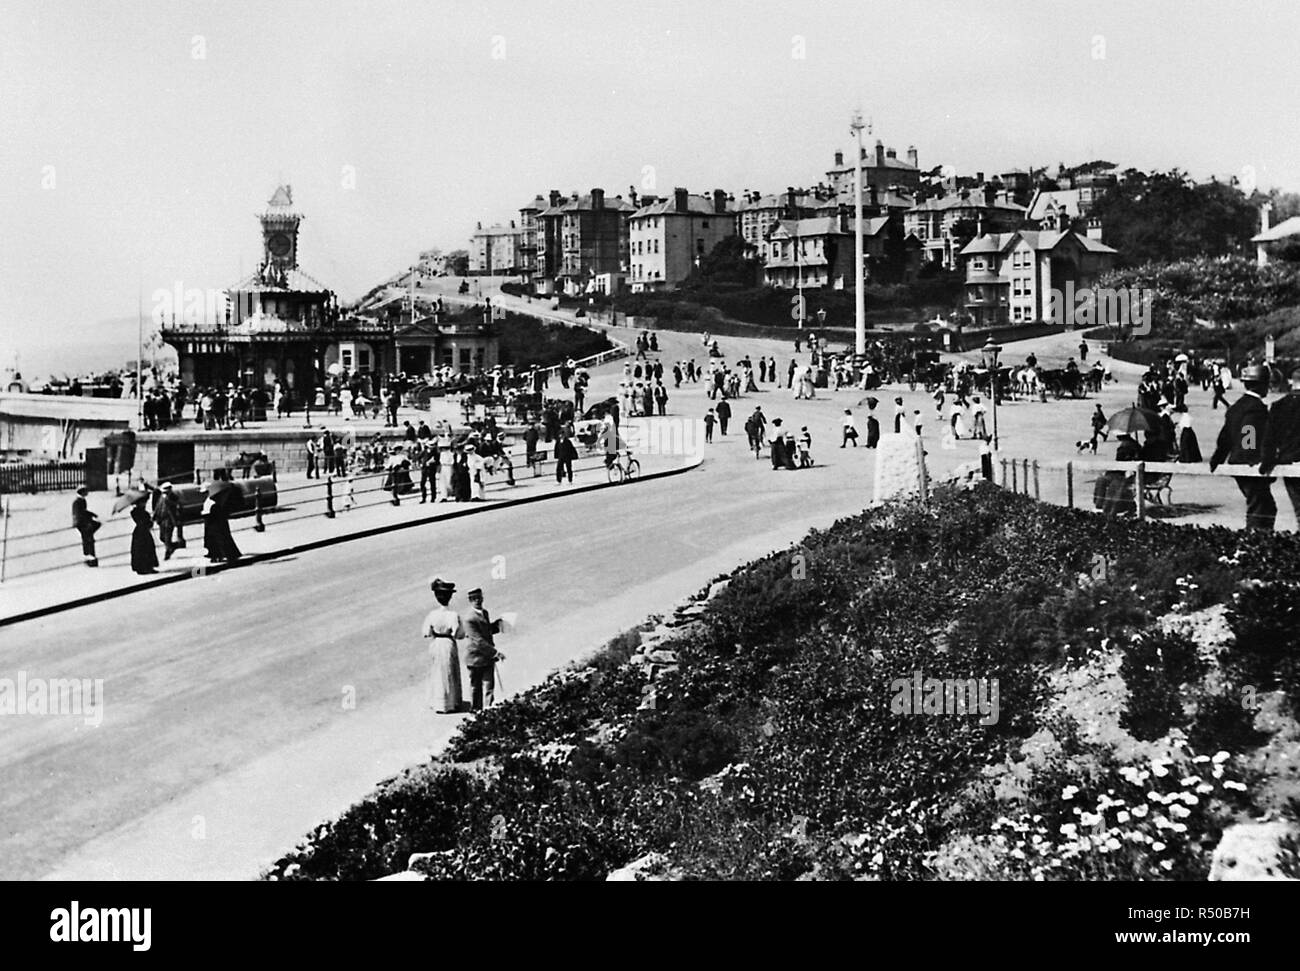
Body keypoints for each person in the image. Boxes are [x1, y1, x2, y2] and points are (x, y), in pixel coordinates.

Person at [1209, 364, 1275, 531]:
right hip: (1247, 465)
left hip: (1236, 462)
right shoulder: (1255, 408)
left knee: (1262, 505)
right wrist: (1253, 460)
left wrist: (1217, 458)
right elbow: (1249, 434)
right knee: (1261, 507)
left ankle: (1253, 541)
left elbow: (1225, 437)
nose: (1268, 387)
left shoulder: (1236, 407)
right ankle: (1254, 545)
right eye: (1267, 383)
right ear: (1260, 385)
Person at [1260, 367, 1300, 524]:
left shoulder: (1278, 406)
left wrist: (1267, 462)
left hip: (1289, 462)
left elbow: (1269, 439)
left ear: (1291, 382)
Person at [422, 578, 465, 714]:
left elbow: (426, 632)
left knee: (436, 671)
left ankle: (437, 702)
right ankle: (451, 702)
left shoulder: (432, 614)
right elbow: (458, 633)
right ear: (450, 597)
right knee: (449, 672)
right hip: (447, 643)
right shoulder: (453, 615)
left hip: (436, 644)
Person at [463, 588, 505, 711]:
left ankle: (488, 711)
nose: (477, 600)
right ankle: (476, 711)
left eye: (479, 597)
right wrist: (495, 653)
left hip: (486, 657)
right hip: (475, 657)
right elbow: (478, 640)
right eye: (474, 598)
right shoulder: (469, 619)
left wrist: (497, 625)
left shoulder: (484, 613)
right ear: (470, 601)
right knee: (476, 687)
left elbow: (486, 631)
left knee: (489, 686)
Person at [203, 471, 244, 562]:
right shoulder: (216, 497)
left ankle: (225, 555)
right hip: (216, 522)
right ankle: (219, 555)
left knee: (220, 539)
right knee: (218, 539)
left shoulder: (214, 500)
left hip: (215, 523)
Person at [153, 482, 184, 560]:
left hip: (169, 520)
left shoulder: (173, 497)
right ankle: (174, 546)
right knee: (162, 537)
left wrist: (176, 520)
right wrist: (154, 516)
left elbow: (177, 507)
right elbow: (158, 507)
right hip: (161, 520)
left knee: (167, 537)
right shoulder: (161, 497)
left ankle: (167, 552)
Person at [71, 486, 100, 567]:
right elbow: (80, 514)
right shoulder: (77, 502)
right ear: (82, 492)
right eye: (86, 491)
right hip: (82, 524)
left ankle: (89, 558)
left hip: (84, 523)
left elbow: (84, 511)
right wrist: (89, 519)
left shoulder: (81, 500)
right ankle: (90, 558)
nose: (87, 493)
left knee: (88, 539)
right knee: (88, 540)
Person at [130, 497, 159, 574]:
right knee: (142, 550)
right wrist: (149, 521)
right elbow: (142, 522)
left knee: (148, 549)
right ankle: (142, 567)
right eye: (143, 502)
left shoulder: (142, 512)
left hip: (144, 532)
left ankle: (149, 566)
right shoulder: (136, 512)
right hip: (141, 533)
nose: (145, 504)